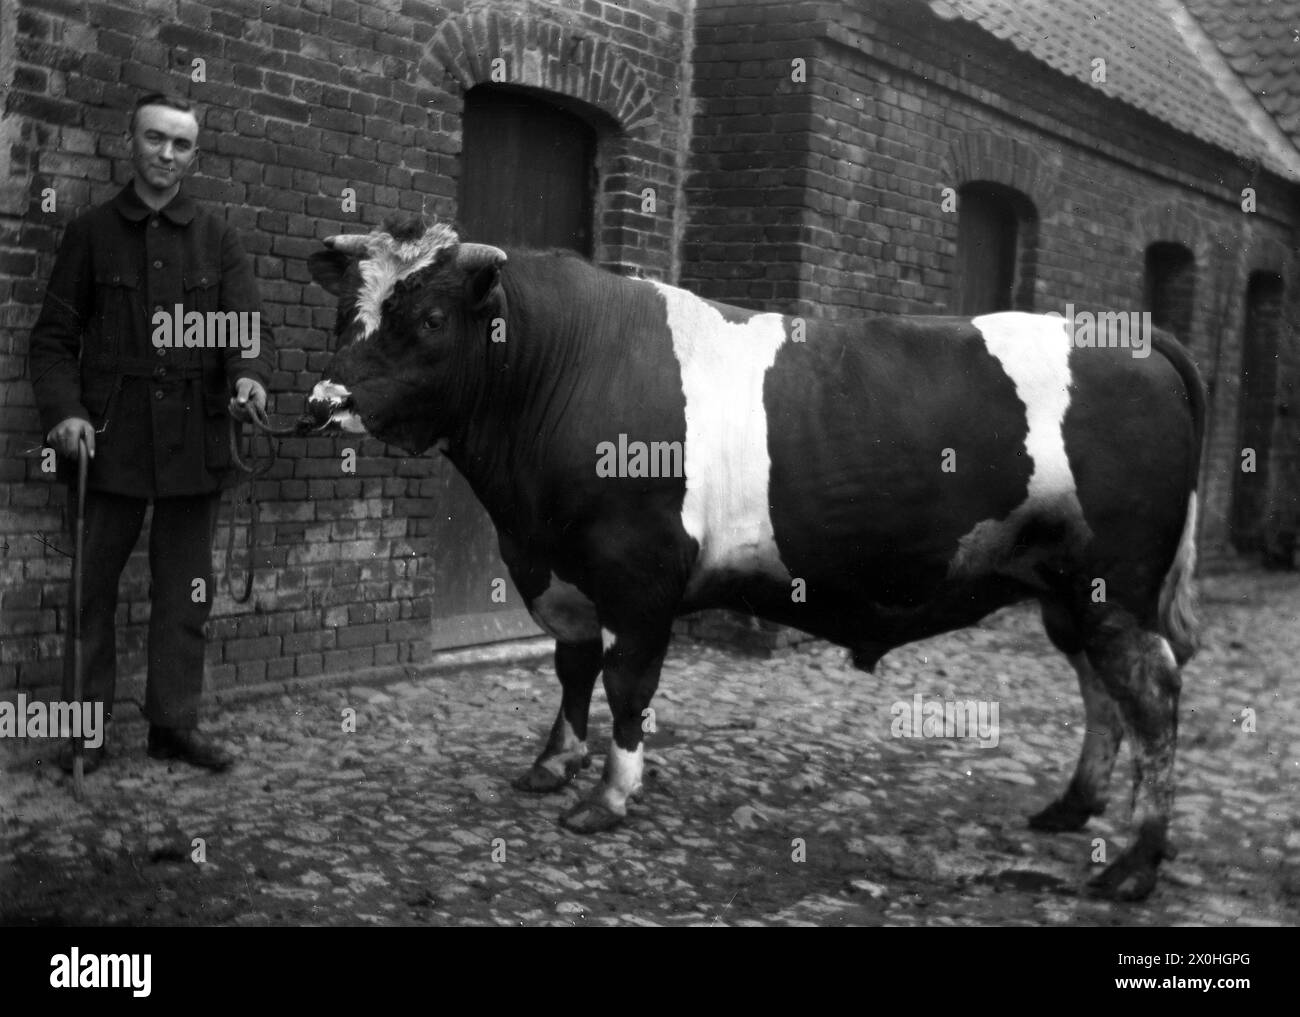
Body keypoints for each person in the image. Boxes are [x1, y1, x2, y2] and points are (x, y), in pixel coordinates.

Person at [28, 92, 274, 773]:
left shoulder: (216, 236)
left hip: (196, 440)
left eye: (182, 145)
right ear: (130, 141)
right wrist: (65, 414)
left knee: (188, 592)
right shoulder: (92, 232)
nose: (168, 155)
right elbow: (51, 341)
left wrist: (248, 379)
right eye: (156, 139)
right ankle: (86, 733)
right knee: (91, 592)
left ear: (195, 154)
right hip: (109, 442)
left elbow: (244, 334)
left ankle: (173, 724)